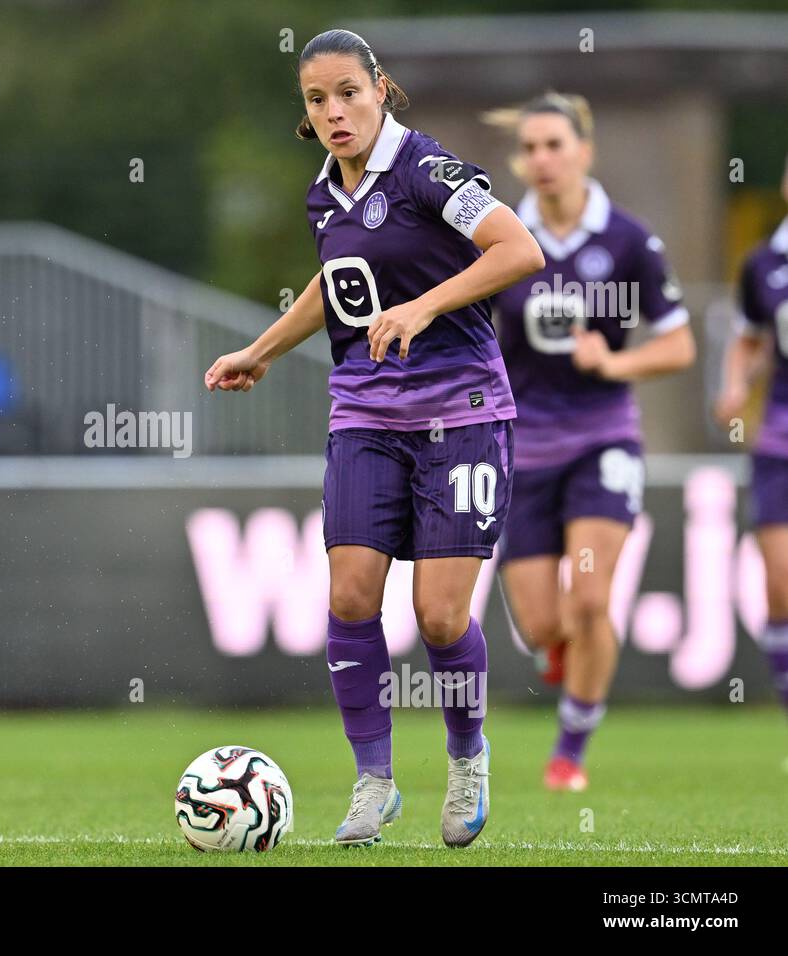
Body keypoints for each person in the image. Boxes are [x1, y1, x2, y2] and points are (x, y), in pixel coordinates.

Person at [203, 29, 543, 847]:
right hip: (364, 412)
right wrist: (262, 350)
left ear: (381, 89)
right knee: (352, 596)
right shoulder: (325, 193)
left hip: (460, 413)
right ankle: (373, 783)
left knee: (436, 617)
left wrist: (426, 306)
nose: (333, 112)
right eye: (317, 100)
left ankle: (466, 757)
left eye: (348, 93)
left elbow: (519, 249)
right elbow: (337, 282)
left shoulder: (430, 170)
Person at [484, 92, 695, 792]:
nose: (542, 159)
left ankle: (569, 749)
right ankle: (562, 654)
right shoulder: (501, 238)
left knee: (589, 600)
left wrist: (616, 363)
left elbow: (678, 345)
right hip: (523, 452)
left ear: (585, 152)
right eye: (531, 148)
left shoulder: (627, 240)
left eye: (555, 145)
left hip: (601, 443)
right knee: (543, 626)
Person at [714, 154, 788, 756]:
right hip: (780, 440)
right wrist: (737, 385)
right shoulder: (764, 264)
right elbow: (751, 342)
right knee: (781, 584)